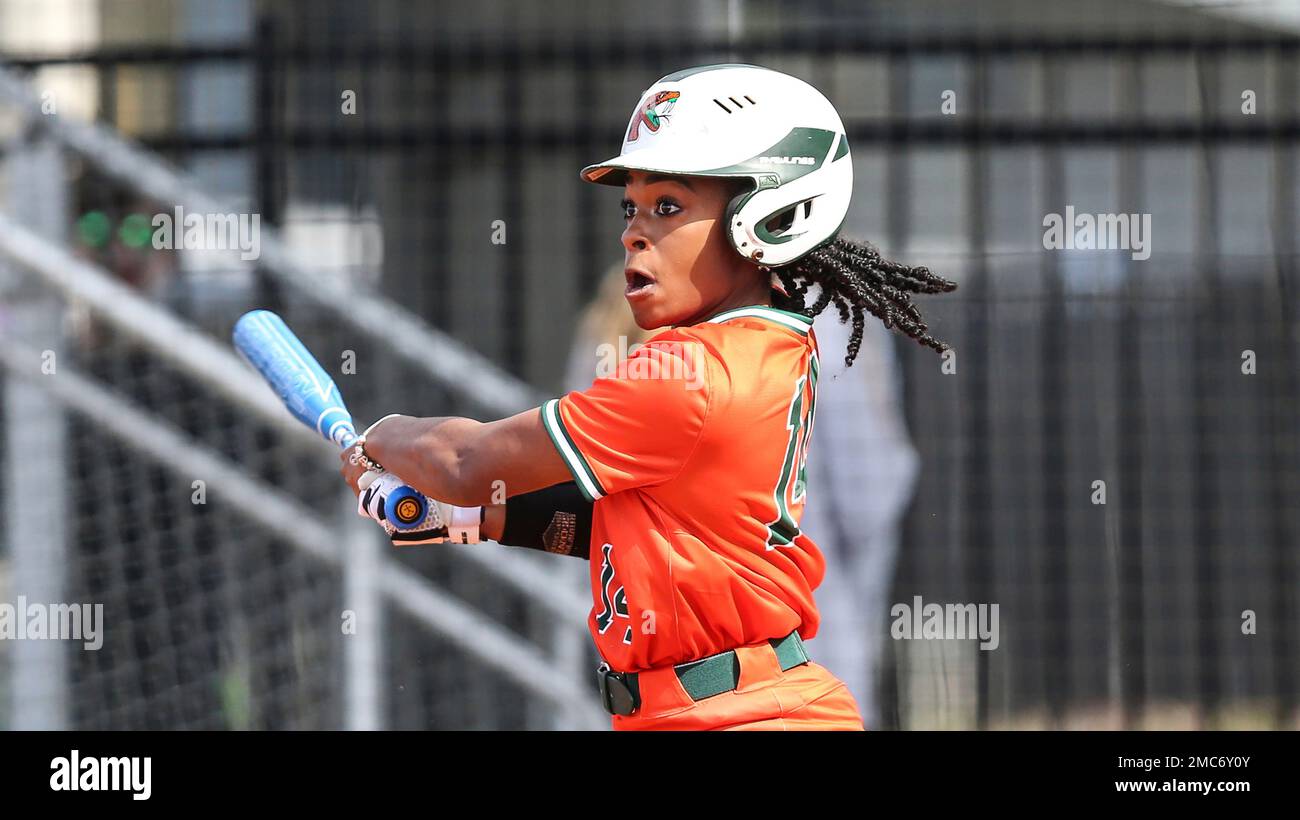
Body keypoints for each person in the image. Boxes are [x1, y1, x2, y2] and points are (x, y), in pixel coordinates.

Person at [338, 63, 954, 730]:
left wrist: (378, 432)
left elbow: (469, 463)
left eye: (669, 207)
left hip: (738, 713)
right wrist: (463, 519)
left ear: (767, 218)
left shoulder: (686, 371)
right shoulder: (773, 342)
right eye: (631, 207)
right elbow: (636, 527)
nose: (634, 230)